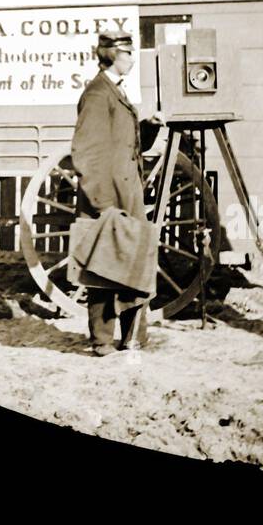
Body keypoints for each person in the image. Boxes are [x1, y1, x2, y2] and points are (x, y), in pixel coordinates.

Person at [68, 29, 158, 356]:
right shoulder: (96, 94)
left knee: (131, 264)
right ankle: (102, 342)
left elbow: (128, 146)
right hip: (107, 196)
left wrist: (149, 127)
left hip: (127, 193)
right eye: (128, 53)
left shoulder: (115, 91)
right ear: (111, 55)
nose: (133, 58)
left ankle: (133, 337)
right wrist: (101, 203)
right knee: (102, 268)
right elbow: (87, 152)